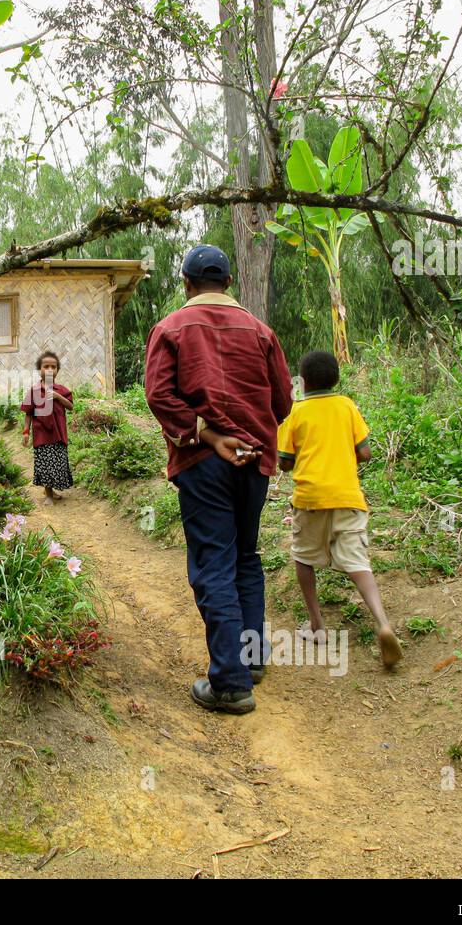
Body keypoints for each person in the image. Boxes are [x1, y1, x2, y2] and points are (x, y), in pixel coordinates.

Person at [144, 244, 293, 715]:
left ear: (186, 282)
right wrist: (247, 433)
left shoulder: (170, 329)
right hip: (254, 460)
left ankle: (229, 683)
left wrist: (208, 434)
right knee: (245, 557)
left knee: (214, 561)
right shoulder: (261, 331)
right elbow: (284, 403)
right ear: (229, 283)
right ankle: (250, 660)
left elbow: (159, 395)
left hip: (202, 462)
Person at [277, 350, 402, 668]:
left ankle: (317, 626)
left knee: (303, 557)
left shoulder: (296, 414)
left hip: (310, 499)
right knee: (358, 562)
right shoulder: (347, 406)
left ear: (302, 382)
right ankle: (383, 621)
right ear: (336, 379)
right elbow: (365, 452)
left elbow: (284, 462)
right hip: (348, 497)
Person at [21, 350, 74, 501]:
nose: (50, 370)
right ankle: (48, 495)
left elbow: (70, 406)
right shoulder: (35, 391)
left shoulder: (62, 390)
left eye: (54, 367)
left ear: (57, 370)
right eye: (46, 366)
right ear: (39, 369)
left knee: (58, 464)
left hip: (59, 434)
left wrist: (58, 397)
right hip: (42, 434)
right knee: (45, 464)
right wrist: (26, 432)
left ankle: (50, 491)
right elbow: (28, 413)